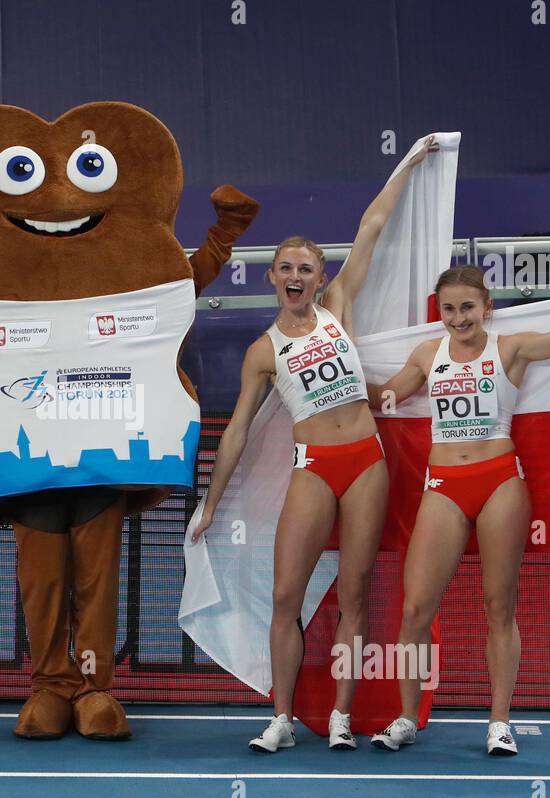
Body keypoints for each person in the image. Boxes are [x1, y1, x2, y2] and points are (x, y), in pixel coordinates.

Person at [189, 138, 437, 752]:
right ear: (272, 276)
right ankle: (281, 717)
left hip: (366, 464)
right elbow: (239, 431)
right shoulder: (263, 351)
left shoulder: (337, 308)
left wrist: (406, 164)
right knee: (283, 595)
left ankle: (341, 719)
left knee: (354, 594)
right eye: (287, 268)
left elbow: (372, 224)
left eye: (307, 268)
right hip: (314, 468)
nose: (296, 276)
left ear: (319, 278)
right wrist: (212, 505)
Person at [368, 265, 550, 754]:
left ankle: (499, 722)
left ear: (487, 307)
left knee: (499, 604)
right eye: (449, 308)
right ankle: (405, 717)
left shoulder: (509, 348)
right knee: (415, 608)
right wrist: (347, 386)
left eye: (467, 307)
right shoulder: (428, 354)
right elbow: (391, 392)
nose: (458, 317)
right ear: (440, 311)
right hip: (444, 484)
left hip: (500, 482)